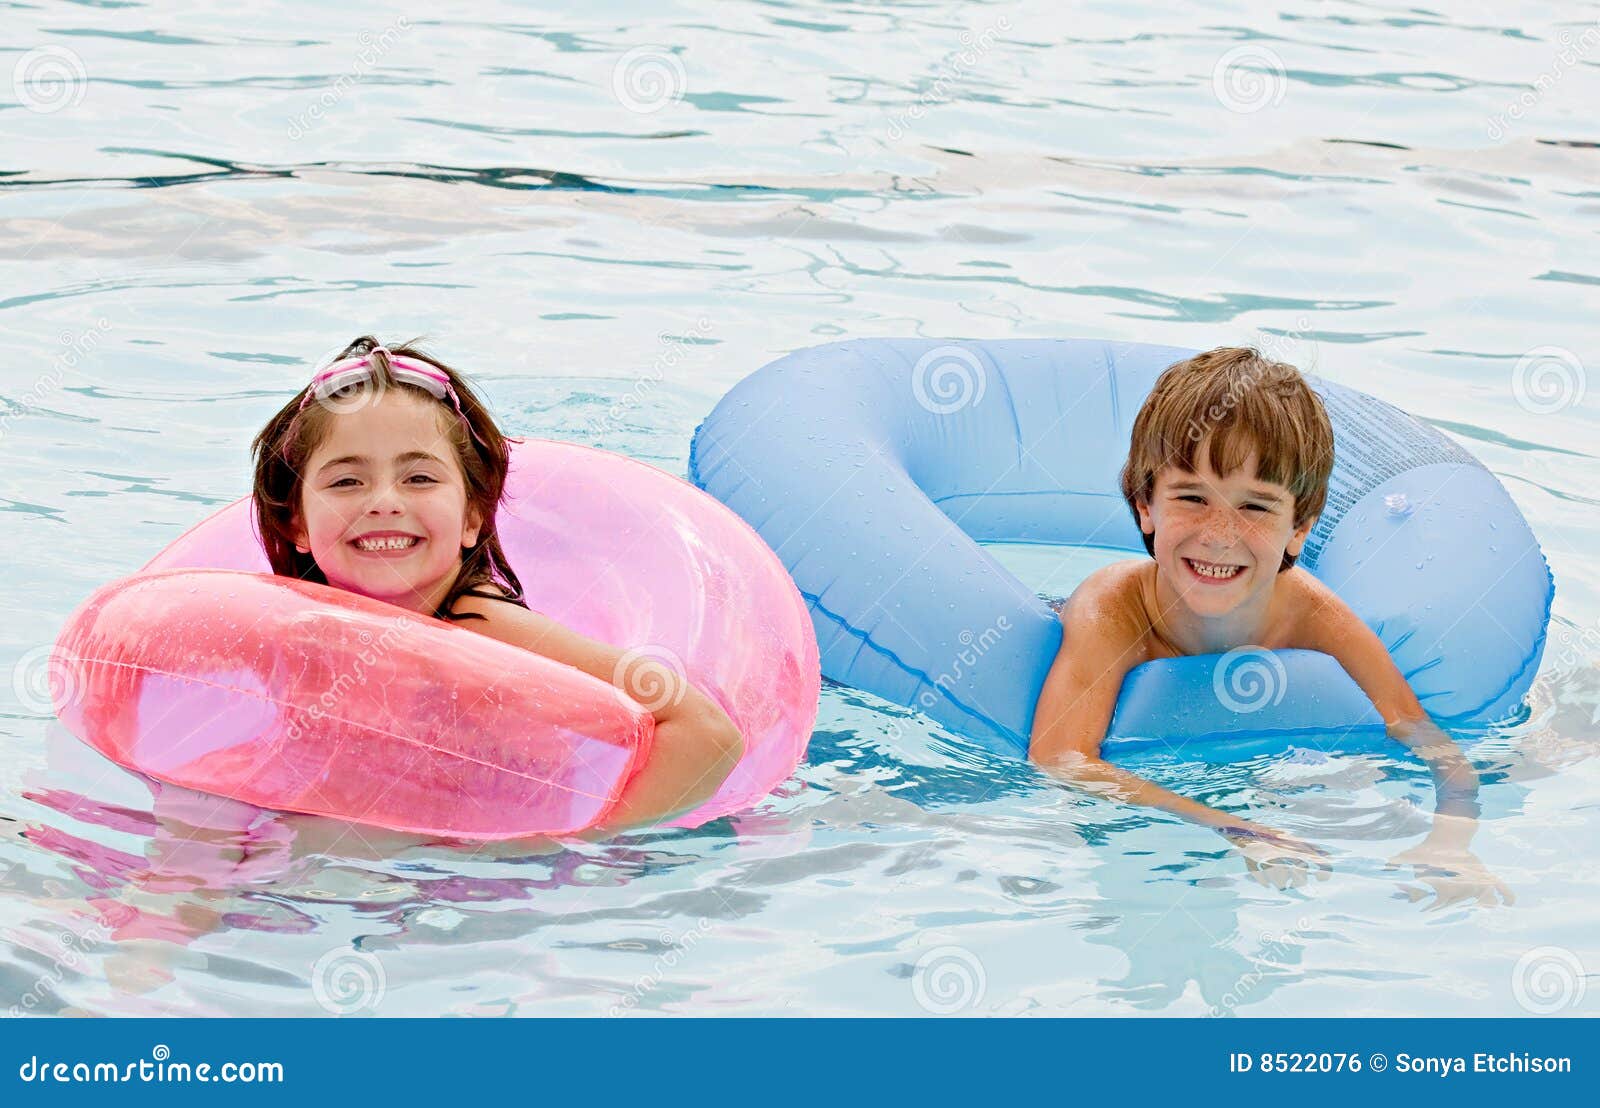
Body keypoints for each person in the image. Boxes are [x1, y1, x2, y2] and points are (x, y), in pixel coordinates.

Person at [1030, 346, 1509, 901]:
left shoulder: (1312, 614)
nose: (1219, 536)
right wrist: (1233, 827)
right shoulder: (1112, 608)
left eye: (1255, 507)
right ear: (1145, 506)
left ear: (1299, 527)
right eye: (1192, 497)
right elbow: (1059, 758)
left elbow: (1422, 734)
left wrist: (1450, 843)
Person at [250, 336, 743, 833]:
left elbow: (706, 732)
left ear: (471, 517)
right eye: (346, 482)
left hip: (491, 852)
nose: (384, 502)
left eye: (419, 478)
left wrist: (584, 844)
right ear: (296, 523)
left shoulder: (482, 629)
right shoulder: (303, 626)